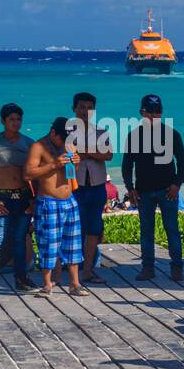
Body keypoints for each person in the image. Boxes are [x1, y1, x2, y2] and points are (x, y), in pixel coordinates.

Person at [123, 94, 184, 282]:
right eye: (150, 111)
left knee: (172, 230)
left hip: (167, 191)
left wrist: (177, 184)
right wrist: (130, 188)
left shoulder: (172, 134)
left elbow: (183, 162)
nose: (154, 115)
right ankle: (148, 268)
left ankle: (177, 267)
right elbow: (127, 165)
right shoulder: (134, 135)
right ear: (141, 112)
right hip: (143, 191)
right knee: (146, 231)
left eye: (157, 111)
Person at [0, 102, 37, 298]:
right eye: (11, 119)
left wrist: (34, 200)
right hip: (2, 199)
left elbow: (35, 175)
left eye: (18, 119)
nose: (16, 123)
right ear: (3, 121)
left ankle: (21, 280)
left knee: (20, 240)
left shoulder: (29, 144)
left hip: (24, 198)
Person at [24, 117, 88, 297]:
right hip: (49, 201)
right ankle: (47, 285)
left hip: (69, 200)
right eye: (63, 139)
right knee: (48, 244)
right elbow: (28, 173)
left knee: (73, 243)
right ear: (53, 133)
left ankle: (75, 284)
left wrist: (75, 162)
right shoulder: (39, 147)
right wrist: (54, 164)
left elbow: (72, 173)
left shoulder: (69, 145)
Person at [68, 91, 114, 285]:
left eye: (89, 108)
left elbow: (109, 155)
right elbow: (65, 155)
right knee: (73, 228)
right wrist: (94, 153)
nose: (86, 111)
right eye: (82, 107)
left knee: (94, 228)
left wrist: (86, 153)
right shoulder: (66, 132)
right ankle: (72, 270)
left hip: (96, 185)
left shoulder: (101, 132)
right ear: (74, 109)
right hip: (74, 186)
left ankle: (87, 269)